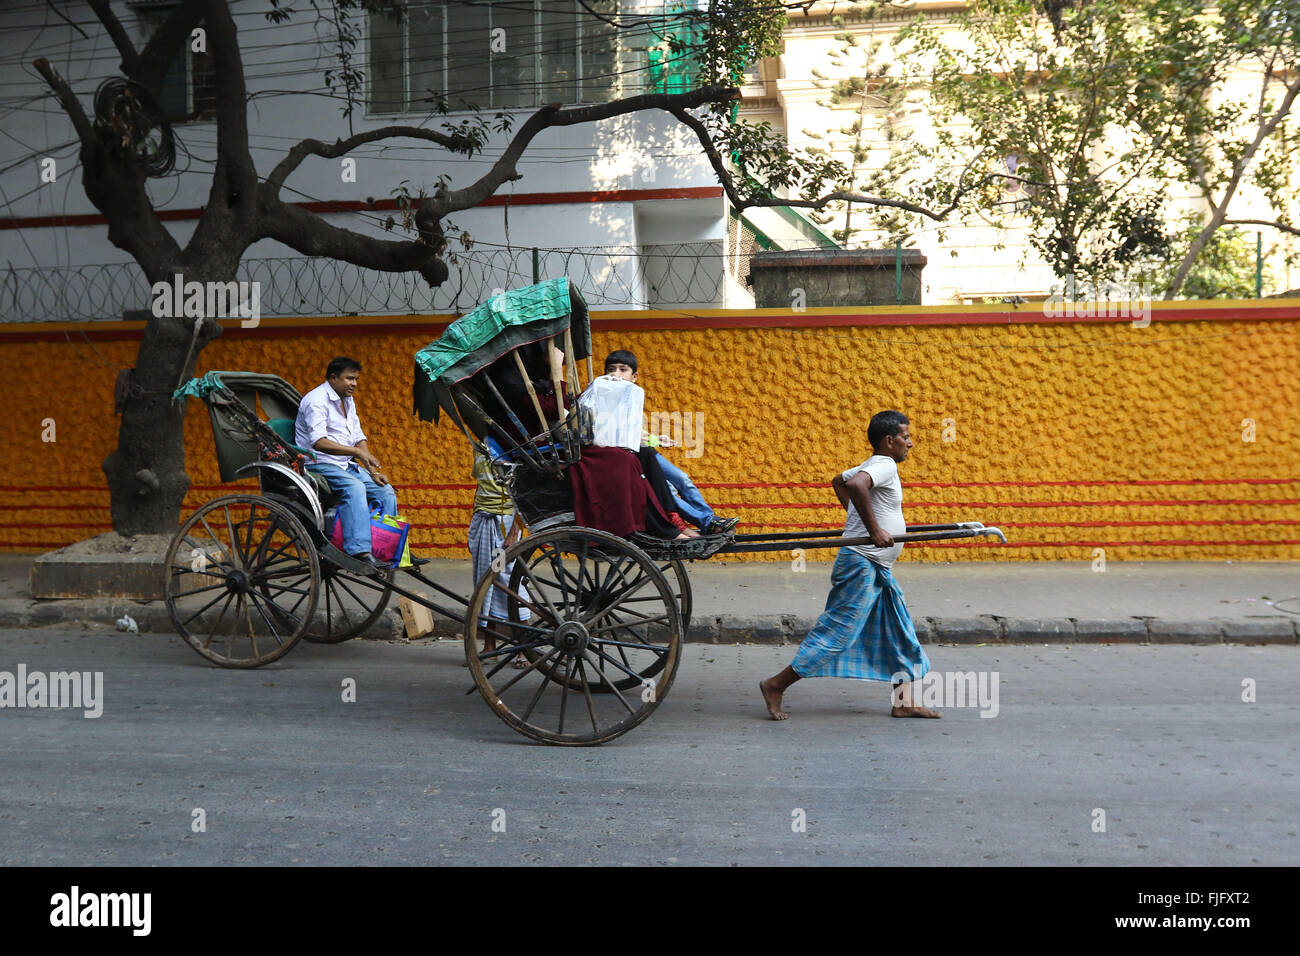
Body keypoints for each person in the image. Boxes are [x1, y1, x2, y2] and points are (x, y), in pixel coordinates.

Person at [758, 410, 940, 720]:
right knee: (838, 633)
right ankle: (775, 685)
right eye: (906, 437)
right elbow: (855, 485)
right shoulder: (883, 464)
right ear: (889, 440)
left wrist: (858, 521)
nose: (911, 443)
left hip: (875, 567)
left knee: (899, 630)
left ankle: (903, 701)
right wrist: (873, 530)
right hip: (862, 564)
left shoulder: (876, 463)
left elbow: (839, 481)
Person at [602, 350, 737, 535]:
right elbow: (618, 434)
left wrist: (656, 439)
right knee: (669, 490)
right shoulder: (603, 400)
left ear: (634, 377)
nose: (616, 374)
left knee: (683, 479)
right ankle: (706, 521)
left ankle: (709, 520)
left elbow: (635, 430)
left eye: (622, 369)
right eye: (611, 369)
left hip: (646, 451)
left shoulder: (632, 398)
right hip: (631, 456)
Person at [295, 357, 397, 573]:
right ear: (333, 378)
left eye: (356, 379)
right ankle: (359, 552)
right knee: (355, 488)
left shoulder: (347, 400)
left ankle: (387, 549)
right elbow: (319, 442)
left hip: (343, 463)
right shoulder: (316, 401)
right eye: (349, 378)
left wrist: (372, 470)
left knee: (385, 490)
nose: (354, 383)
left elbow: (358, 436)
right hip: (318, 463)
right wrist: (357, 453)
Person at [469, 449, 529, 666]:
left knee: (509, 582)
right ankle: (490, 646)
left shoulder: (508, 445)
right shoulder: (479, 445)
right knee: (486, 582)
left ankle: (523, 650)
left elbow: (524, 489)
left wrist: (515, 530)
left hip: (504, 524)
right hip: (483, 520)